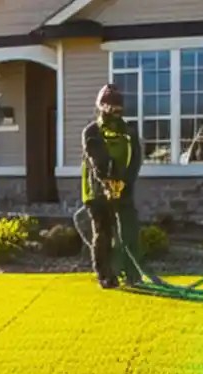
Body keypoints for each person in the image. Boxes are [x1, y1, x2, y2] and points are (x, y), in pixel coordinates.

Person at [81, 83, 143, 289]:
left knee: (129, 231)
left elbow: (135, 160)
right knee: (104, 232)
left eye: (118, 107)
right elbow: (97, 161)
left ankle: (131, 273)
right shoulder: (92, 131)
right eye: (110, 106)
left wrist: (124, 183)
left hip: (124, 187)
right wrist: (108, 183)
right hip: (96, 191)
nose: (115, 110)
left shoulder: (129, 131)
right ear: (101, 106)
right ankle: (105, 275)